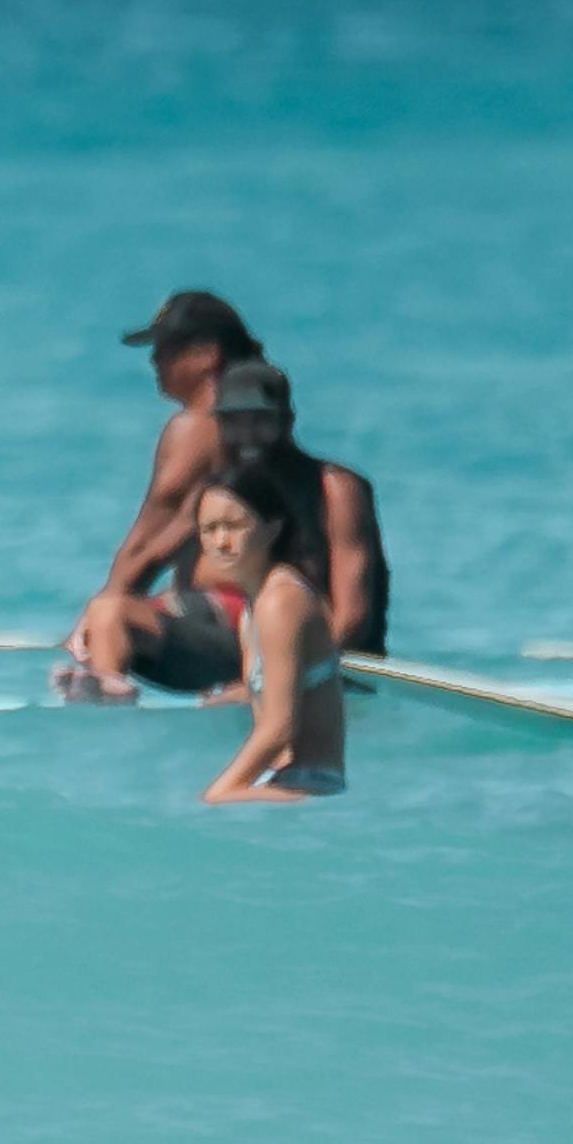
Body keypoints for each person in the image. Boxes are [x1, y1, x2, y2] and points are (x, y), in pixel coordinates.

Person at [67, 305, 387, 690]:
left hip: (314, 654)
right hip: (239, 648)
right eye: (233, 422)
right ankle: (106, 700)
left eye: (260, 421)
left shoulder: (335, 488)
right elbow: (152, 552)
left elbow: (353, 614)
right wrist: (95, 620)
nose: (247, 435)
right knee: (109, 610)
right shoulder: (222, 490)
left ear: (287, 421)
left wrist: (278, 680)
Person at [187, 461, 350, 803]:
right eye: (209, 529)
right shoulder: (256, 601)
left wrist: (216, 792)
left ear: (272, 528)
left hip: (312, 784)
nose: (221, 542)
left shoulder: (281, 601)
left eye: (234, 526)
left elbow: (279, 727)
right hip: (285, 778)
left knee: (208, 803)